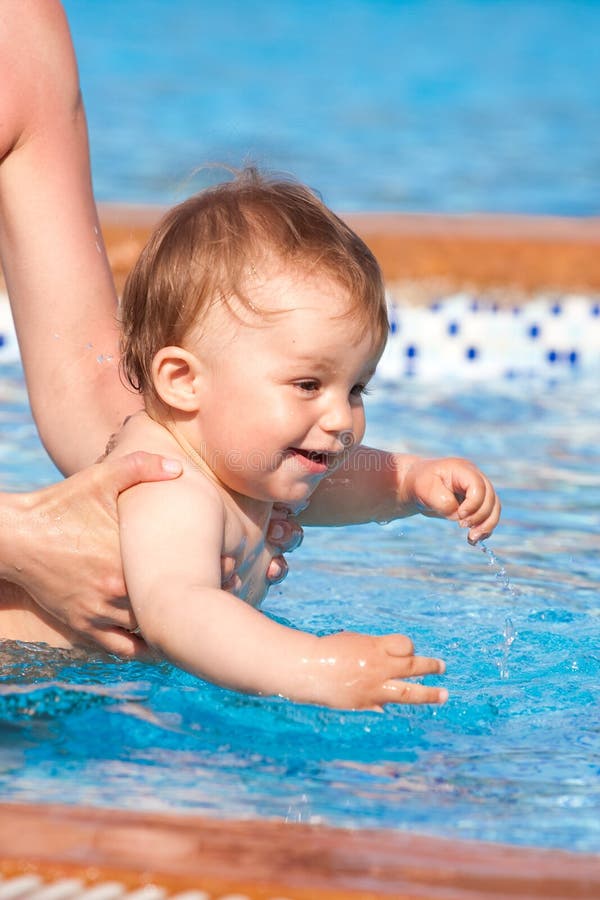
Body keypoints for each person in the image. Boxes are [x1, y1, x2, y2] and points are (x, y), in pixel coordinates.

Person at [0, 169, 500, 709]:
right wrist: (314, 668)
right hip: (29, 678)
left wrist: (410, 482)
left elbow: (343, 482)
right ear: (184, 381)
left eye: (356, 388)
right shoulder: (173, 485)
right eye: (308, 384)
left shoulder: (243, 461)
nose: (341, 419)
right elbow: (179, 610)